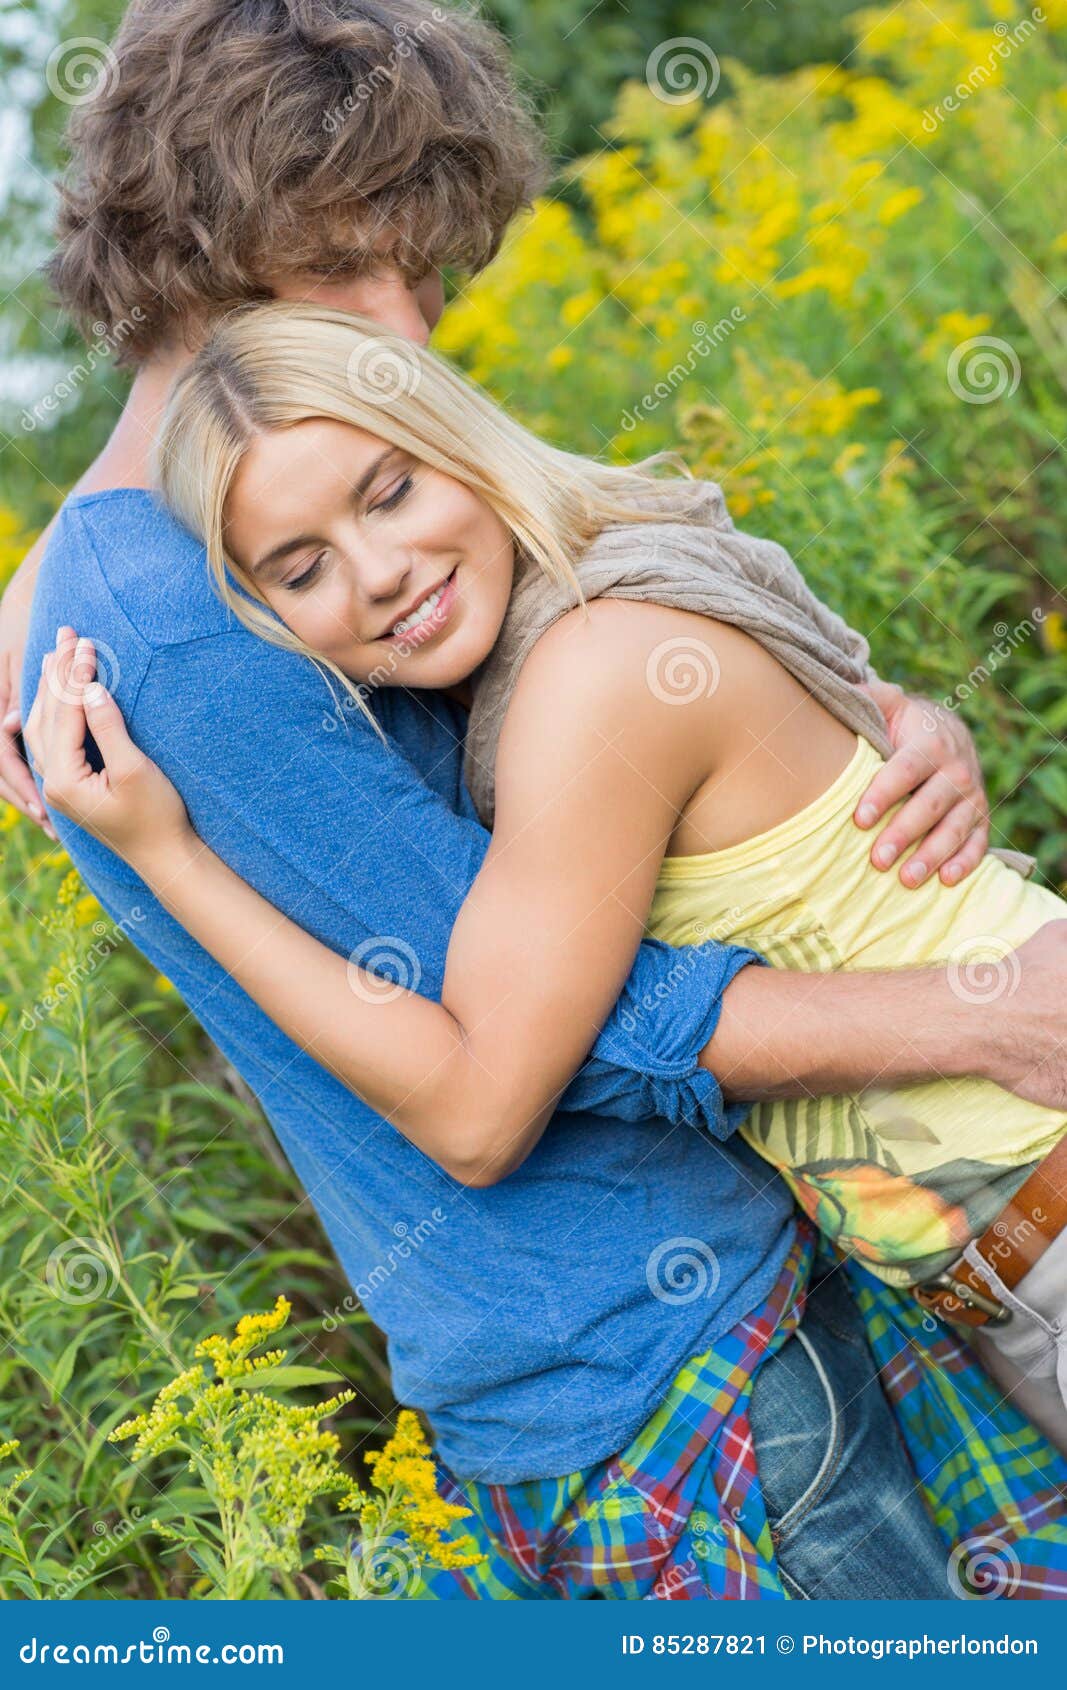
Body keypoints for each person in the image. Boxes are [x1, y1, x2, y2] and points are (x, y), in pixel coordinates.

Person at [10, 0, 1067, 1598]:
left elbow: (619, 598)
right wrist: (974, 1010)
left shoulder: (271, 486)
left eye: (425, 268)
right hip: (661, 1351)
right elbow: (520, 1040)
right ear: (228, 238)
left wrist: (869, 711)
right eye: (371, 258)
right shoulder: (171, 608)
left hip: (771, 1266)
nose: (417, 317)